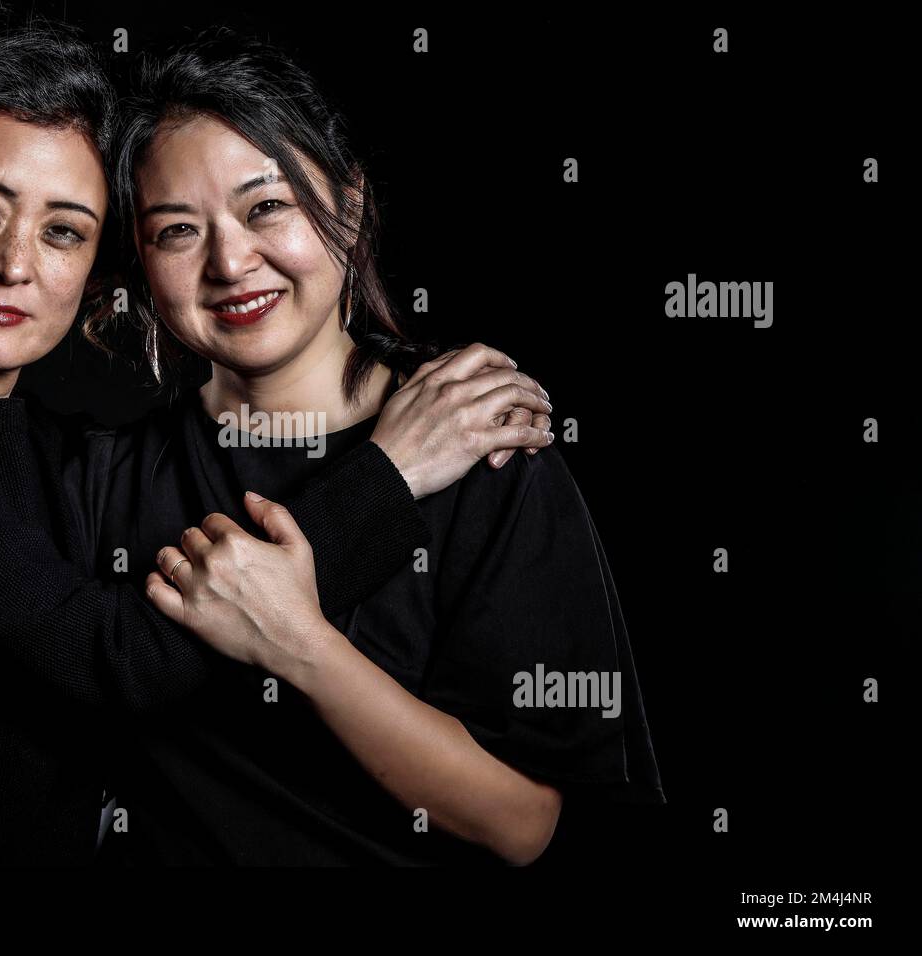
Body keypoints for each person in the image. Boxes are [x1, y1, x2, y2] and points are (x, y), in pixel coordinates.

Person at [0, 14, 553, 864]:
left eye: (63, 230)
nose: (17, 265)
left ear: (99, 269)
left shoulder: (62, 456)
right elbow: (115, 660)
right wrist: (393, 473)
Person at [70, 31, 663, 865]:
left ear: (348, 205)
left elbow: (521, 822)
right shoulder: (101, 481)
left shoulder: (482, 446)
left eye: (267, 206)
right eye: (176, 232)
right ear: (140, 260)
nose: (233, 262)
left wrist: (300, 647)